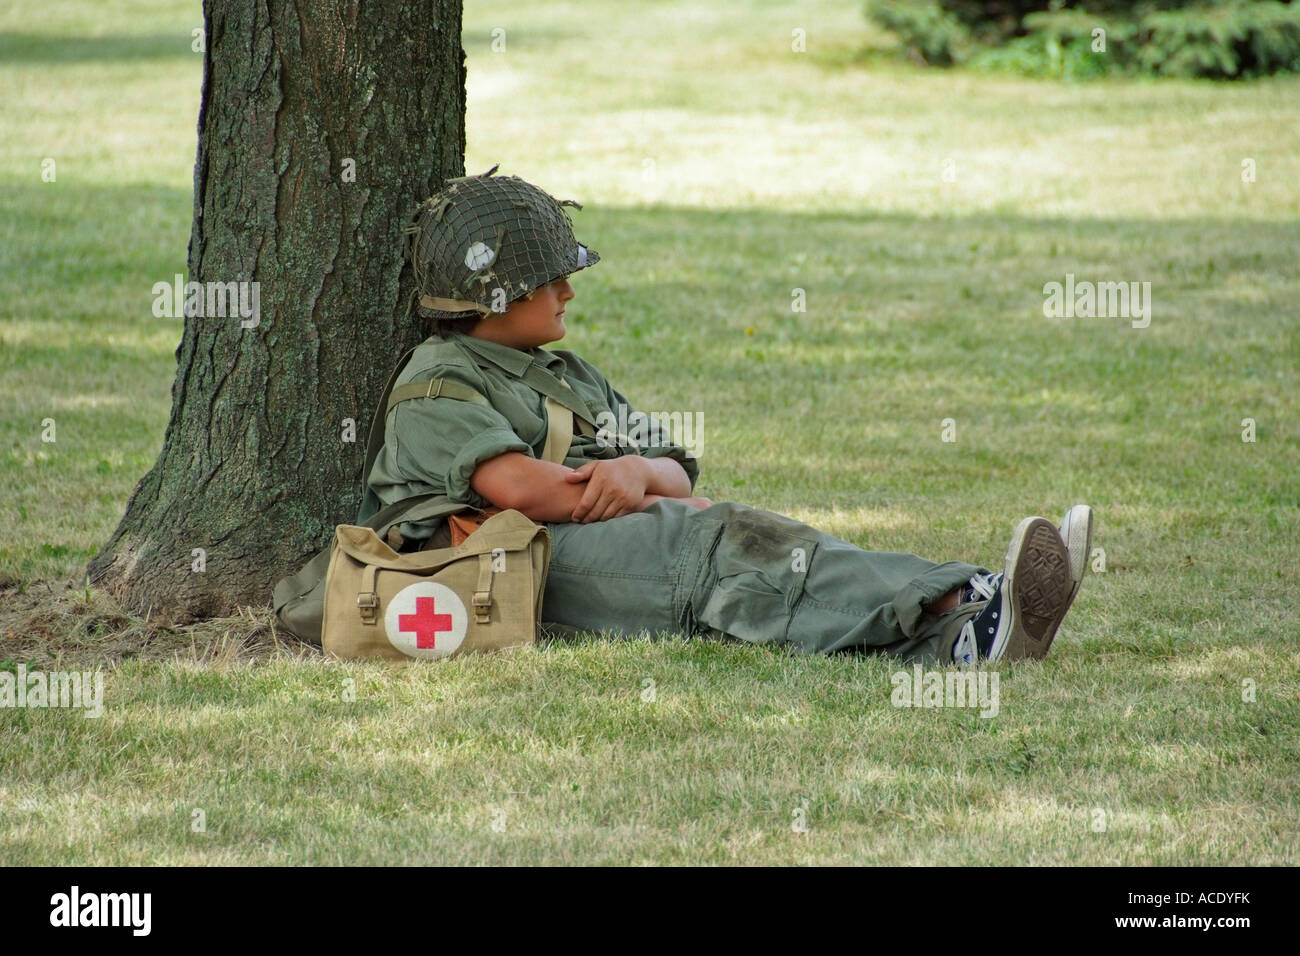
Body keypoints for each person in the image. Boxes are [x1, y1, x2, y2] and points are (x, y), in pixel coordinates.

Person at [363, 166, 1093, 667]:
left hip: (587, 535)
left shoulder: (566, 373)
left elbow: (677, 467)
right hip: (519, 565)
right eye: (549, 280)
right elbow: (523, 490)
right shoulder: (440, 377)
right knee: (717, 551)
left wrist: (638, 472)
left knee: (754, 544)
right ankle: (966, 598)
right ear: (497, 295)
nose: (568, 292)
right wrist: (647, 493)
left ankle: (963, 629)